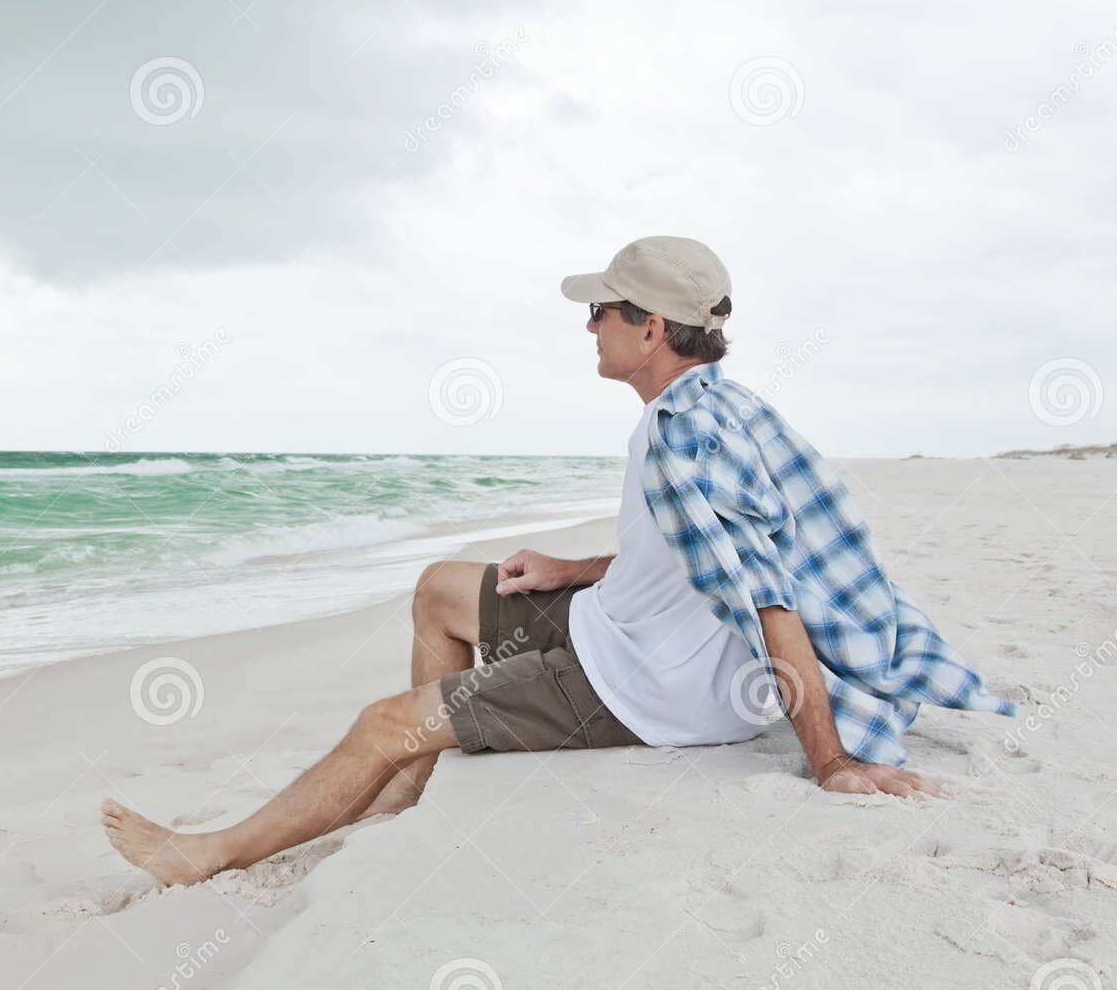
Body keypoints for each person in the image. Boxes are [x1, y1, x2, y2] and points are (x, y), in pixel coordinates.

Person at [103, 236, 1017, 886]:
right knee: (438, 591)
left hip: (642, 686)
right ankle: (404, 794)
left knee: (385, 719)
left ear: (652, 327)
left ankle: (210, 853)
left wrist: (830, 763)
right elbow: (687, 552)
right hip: (616, 621)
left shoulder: (693, 437)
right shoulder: (699, 407)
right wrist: (571, 568)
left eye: (602, 311)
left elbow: (771, 596)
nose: (590, 326)